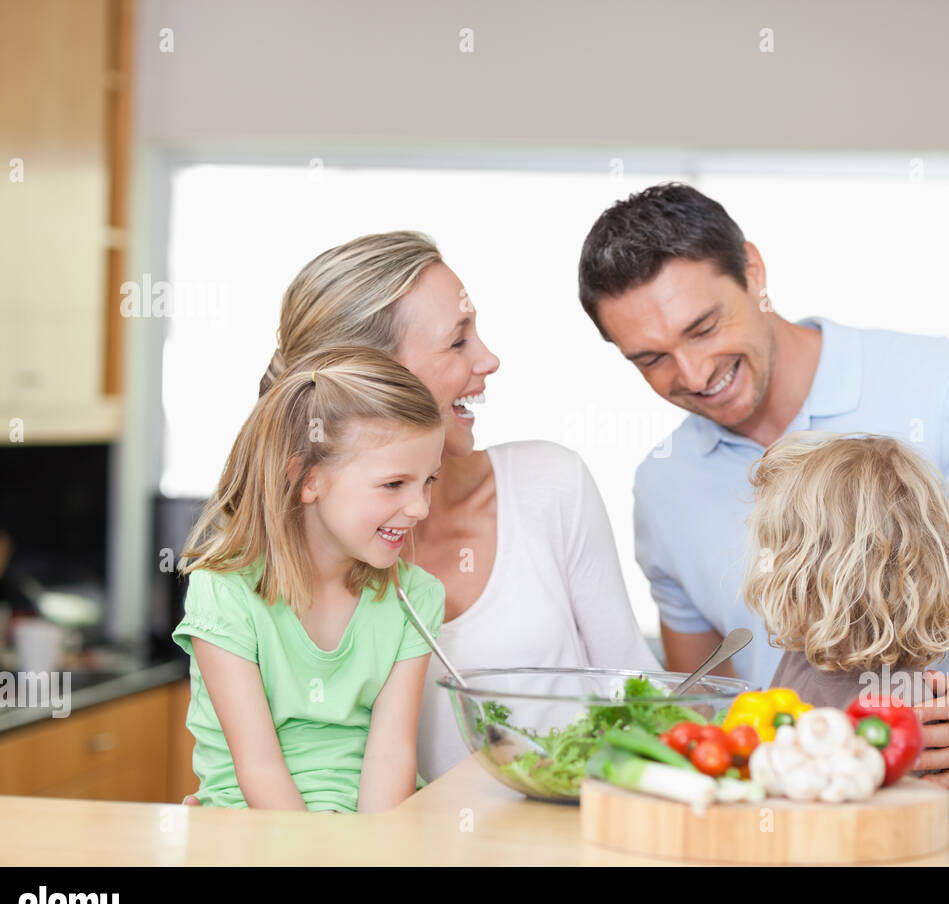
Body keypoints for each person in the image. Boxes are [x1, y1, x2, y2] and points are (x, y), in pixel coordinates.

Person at [576, 182, 949, 827]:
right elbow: (705, 702)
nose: (692, 372)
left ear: (754, 271)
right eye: (651, 359)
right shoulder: (664, 487)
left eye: (704, 327)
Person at [263, 231, 660, 785]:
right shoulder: (288, 559)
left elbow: (632, 684)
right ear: (375, 379)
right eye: (457, 342)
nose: (490, 359)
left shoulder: (550, 485)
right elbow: (271, 753)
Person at [172, 346, 446, 813]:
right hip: (262, 835)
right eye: (394, 484)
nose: (420, 506)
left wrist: (370, 856)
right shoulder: (223, 593)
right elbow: (258, 766)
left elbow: (391, 754)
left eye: (429, 481)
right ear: (308, 480)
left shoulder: (416, 597)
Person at [739, 431, 949, 785]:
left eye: (778, 549)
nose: (768, 566)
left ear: (828, 577)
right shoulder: (805, 654)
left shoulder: (893, 706)